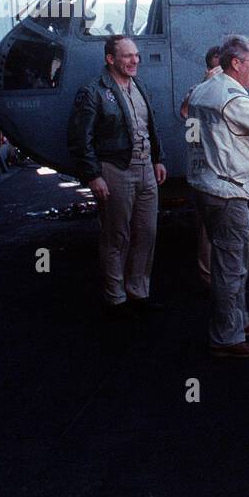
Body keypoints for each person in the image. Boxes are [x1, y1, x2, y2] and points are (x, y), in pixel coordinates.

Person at [186, 35, 249, 359]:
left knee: (228, 263)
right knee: (231, 266)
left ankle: (238, 321)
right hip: (228, 193)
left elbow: (190, 125)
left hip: (205, 186)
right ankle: (227, 337)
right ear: (236, 64)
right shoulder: (233, 99)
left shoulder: (202, 90)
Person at [66, 35, 167, 317]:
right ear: (110, 59)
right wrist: (93, 175)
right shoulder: (93, 91)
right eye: (127, 56)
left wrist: (159, 159)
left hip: (146, 168)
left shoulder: (138, 87)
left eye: (136, 55)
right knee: (116, 237)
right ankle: (116, 299)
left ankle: (138, 293)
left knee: (147, 233)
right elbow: (79, 139)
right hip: (115, 169)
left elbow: (150, 127)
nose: (135, 61)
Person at [181, 45, 223, 289]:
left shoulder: (229, 91)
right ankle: (208, 279)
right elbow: (187, 119)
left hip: (227, 171)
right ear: (209, 68)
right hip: (205, 172)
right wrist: (204, 86)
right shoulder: (197, 92)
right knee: (207, 232)